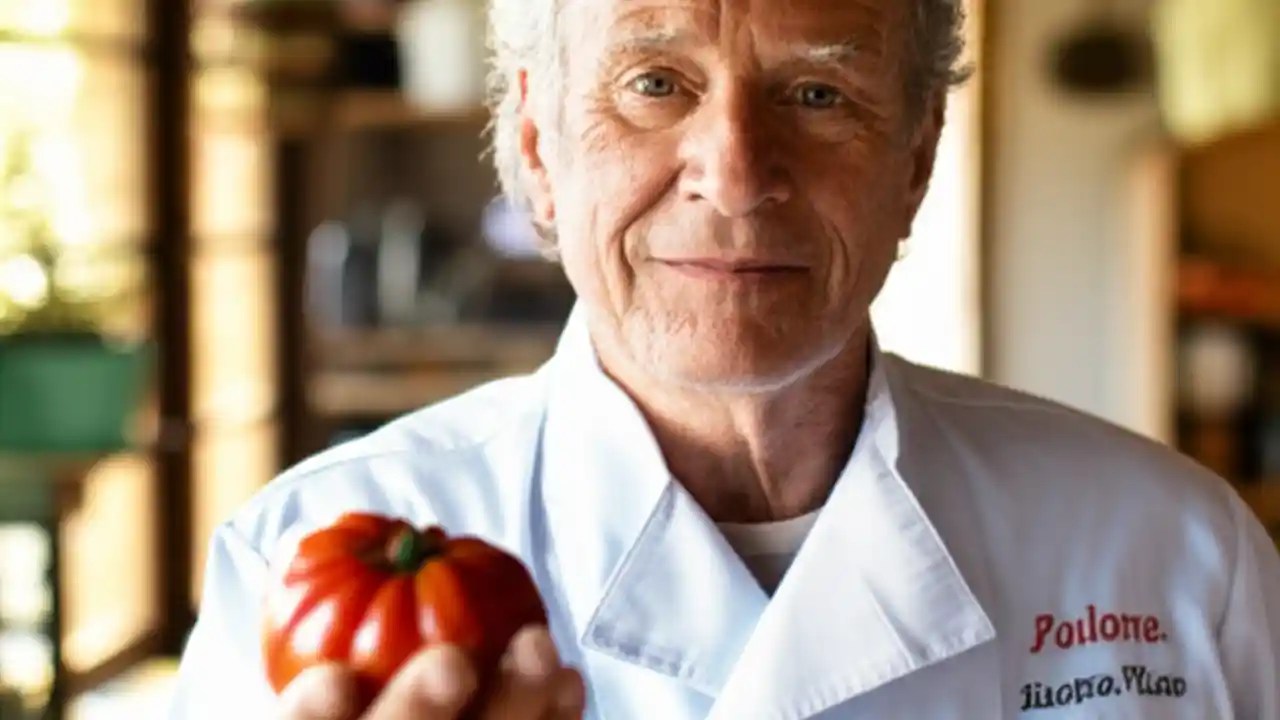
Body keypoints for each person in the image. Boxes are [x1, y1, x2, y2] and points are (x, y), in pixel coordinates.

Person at [170, 0, 1280, 716]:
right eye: (655, 83)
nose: (737, 172)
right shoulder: (293, 567)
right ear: (534, 145)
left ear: (916, 158)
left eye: (816, 93)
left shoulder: (1170, 550)